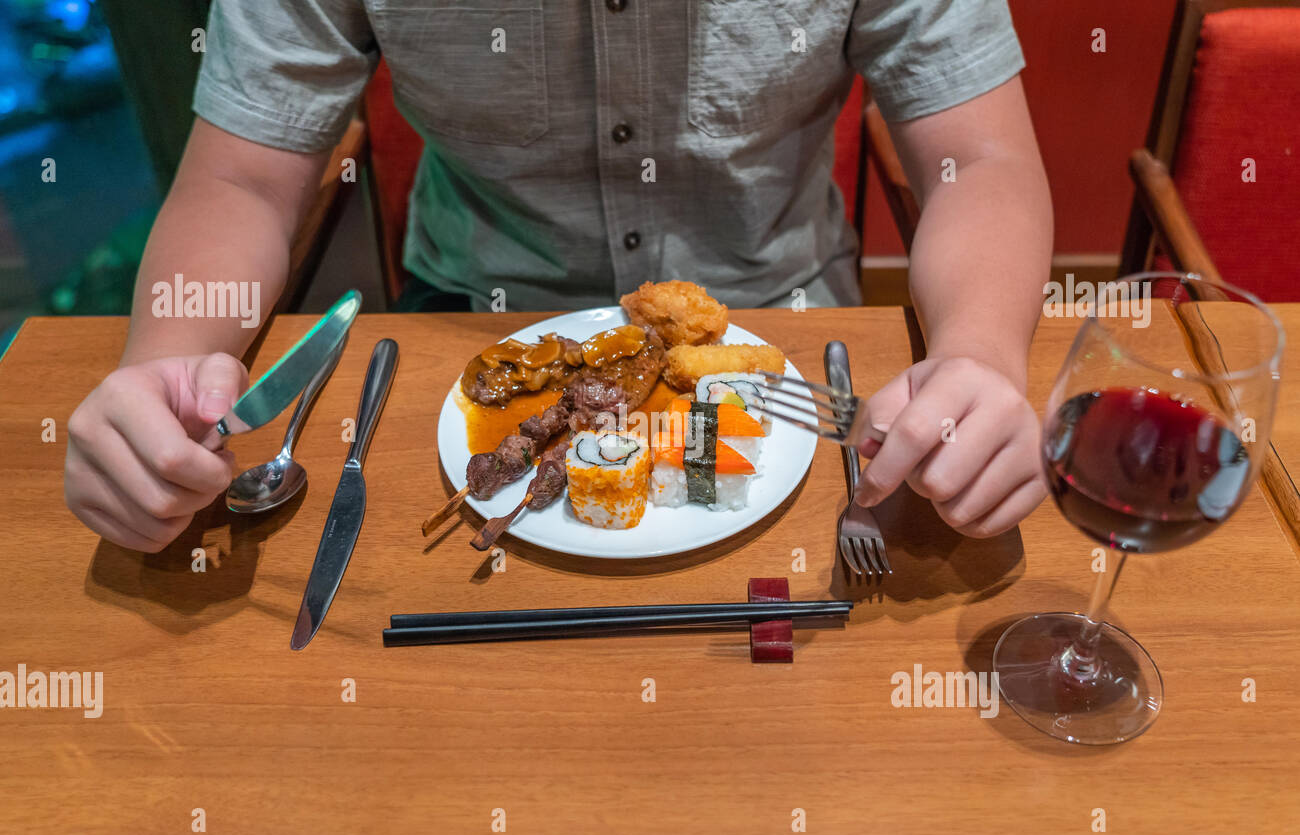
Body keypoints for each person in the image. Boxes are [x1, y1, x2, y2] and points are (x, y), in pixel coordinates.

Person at [64, 0, 1052, 553]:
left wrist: (979, 354)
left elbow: (983, 161)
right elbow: (241, 177)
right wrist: (170, 369)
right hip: (468, 326)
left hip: (782, 330)